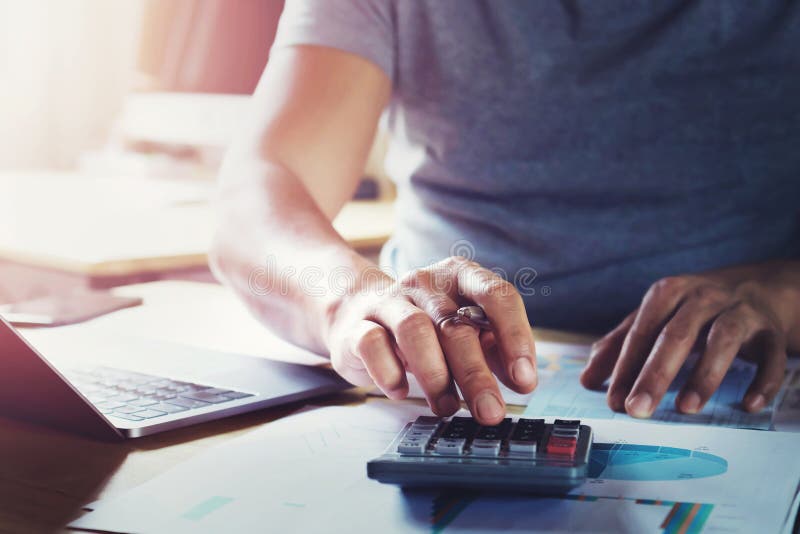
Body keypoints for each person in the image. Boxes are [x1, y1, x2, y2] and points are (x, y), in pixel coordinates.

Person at [211, 0, 800, 425]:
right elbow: (252, 203)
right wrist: (348, 299)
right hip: (425, 381)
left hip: (741, 376)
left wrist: (786, 291)